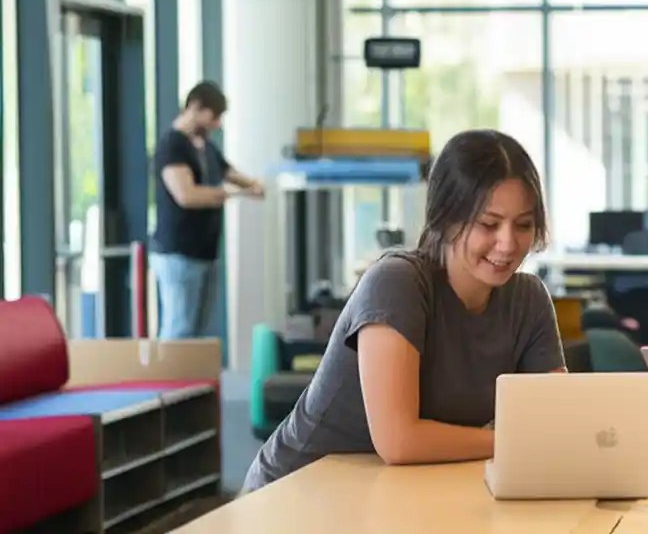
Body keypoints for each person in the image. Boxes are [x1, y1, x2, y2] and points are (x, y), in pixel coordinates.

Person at [241, 129, 566, 493]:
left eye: (523, 225)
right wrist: (513, 441)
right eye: (488, 224)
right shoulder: (397, 283)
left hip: (391, 491)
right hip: (295, 494)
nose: (507, 243)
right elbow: (399, 441)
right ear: (445, 219)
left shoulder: (528, 300)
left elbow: (558, 421)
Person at [152, 81, 264, 340]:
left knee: (198, 334)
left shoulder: (205, 146)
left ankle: (193, 370)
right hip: (179, 255)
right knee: (179, 331)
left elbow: (229, 172)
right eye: (213, 116)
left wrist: (256, 185)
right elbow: (186, 195)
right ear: (194, 107)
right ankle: (171, 369)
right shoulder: (172, 146)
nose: (217, 124)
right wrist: (231, 194)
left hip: (205, 254)